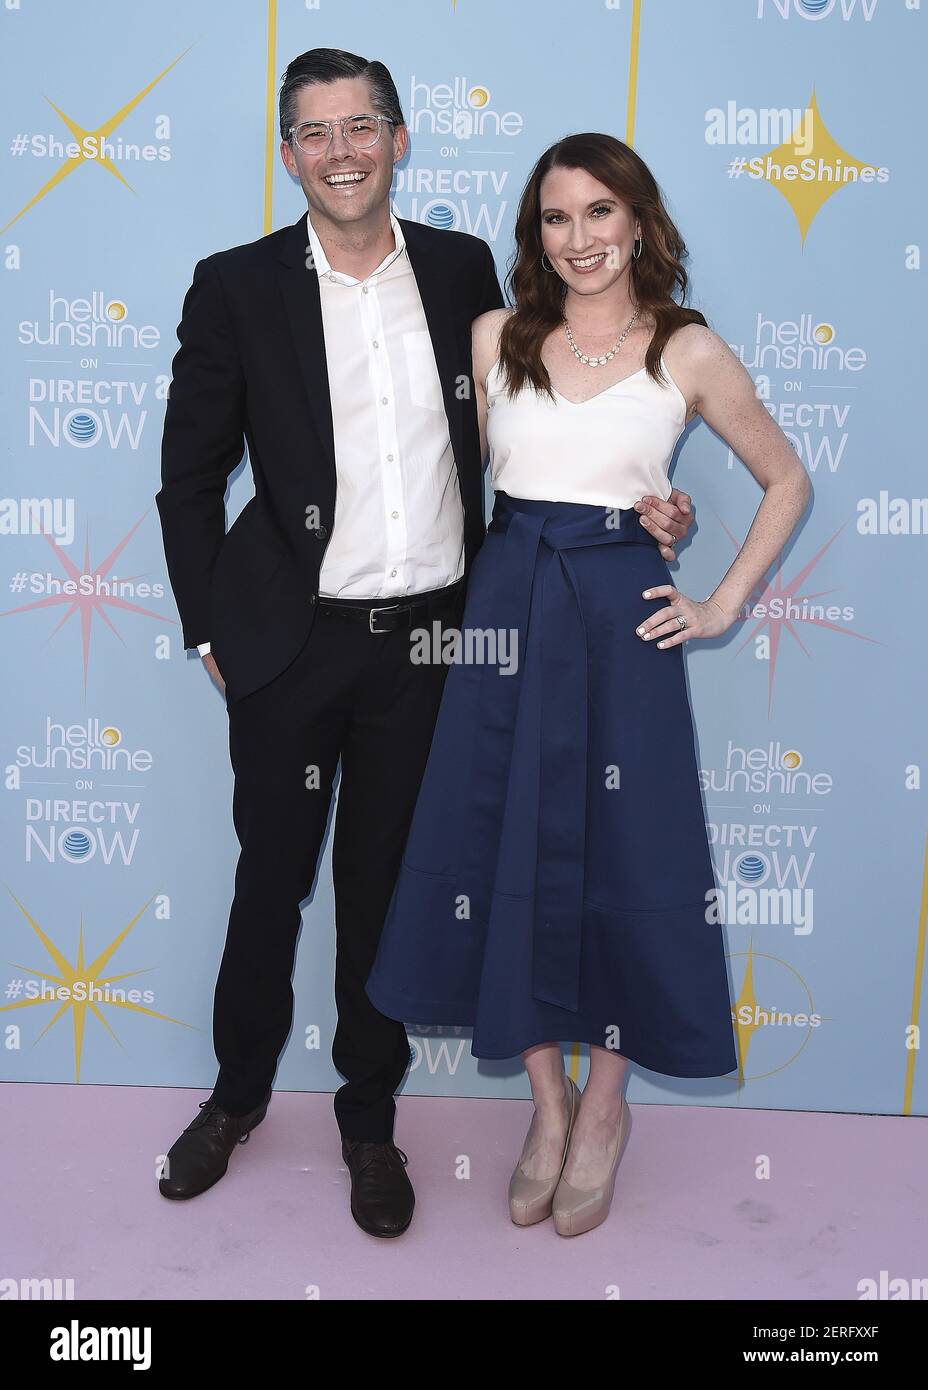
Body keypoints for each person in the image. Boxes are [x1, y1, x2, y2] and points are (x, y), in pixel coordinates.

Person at [154, 54, 695, 1237]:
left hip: (435, 647)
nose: (339, 150)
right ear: (287, 153)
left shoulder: (463, 275)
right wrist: (211, 626)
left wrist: (652, 505)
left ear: (398, 141)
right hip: (289, 648)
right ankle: (236, 1096)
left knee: (384, 892)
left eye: (361, 126)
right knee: (268, 882)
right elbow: (188, 475)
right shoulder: (235, 285)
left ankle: (366, 1120)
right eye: (313, 132)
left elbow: (555, 424)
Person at [367, 132, 811, 1237]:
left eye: (600, 214)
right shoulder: (494, 336)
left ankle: (606, 1108)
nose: (581, 240)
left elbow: (786, 477)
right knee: (497, 842)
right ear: (538, 235)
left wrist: (715, 598)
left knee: (626, 853)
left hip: (621, 616)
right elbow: (478, 487)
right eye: (557, 219)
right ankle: (546, 1104)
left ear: (639, 222)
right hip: (506, 605)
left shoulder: (686, 345)